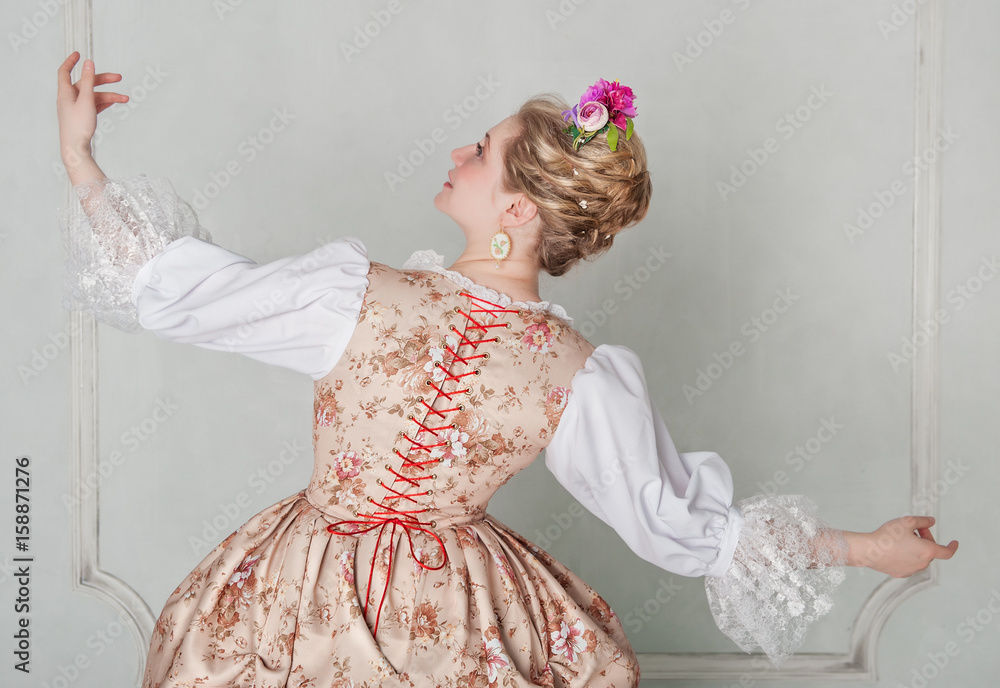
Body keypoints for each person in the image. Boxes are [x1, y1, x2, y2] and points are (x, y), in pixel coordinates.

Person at [55, 51, 958, 688]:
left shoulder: (359, 296)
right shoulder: (574, 372)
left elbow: (175, 290)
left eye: (478, 151)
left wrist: (82, 165)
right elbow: (684, 528)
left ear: (517, 210)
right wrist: (865, 547)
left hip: (300, 586)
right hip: (453, 616)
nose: (456, 155)